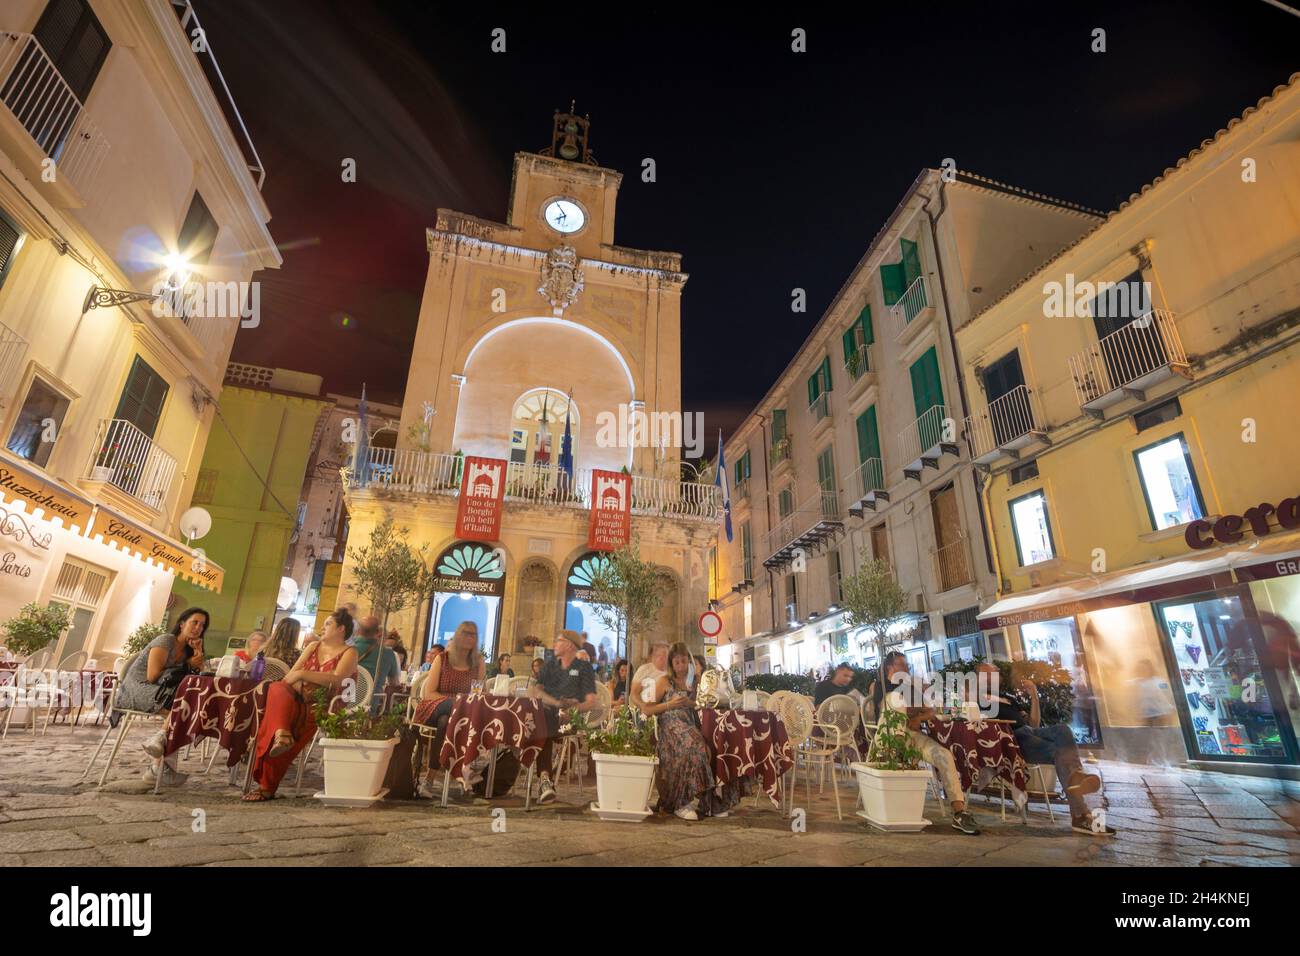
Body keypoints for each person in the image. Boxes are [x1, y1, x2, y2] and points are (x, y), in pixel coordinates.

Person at [976, 662, 1112, 835]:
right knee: (1060, 754)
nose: (995, 675)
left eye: (995, 672)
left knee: (1063, 729)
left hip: (1030, 731)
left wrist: (1034, 697)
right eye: (989, 673)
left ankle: (1077, 785)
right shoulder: (977, 698)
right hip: (1013, 740)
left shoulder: (1008, 698)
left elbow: (1034, 723)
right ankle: (1081, 813)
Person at [243, 608, 359, 802]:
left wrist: (303, 675)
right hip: (297, 697)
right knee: (277, 689)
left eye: (328, 624)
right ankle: (282, 734)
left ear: (341, 629)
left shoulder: (350, 652)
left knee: (286, 718)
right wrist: (299, 679)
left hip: (325, 703)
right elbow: (289, 678)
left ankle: (266, 785)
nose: (323, 627)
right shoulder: (313, 646)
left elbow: (337, 680)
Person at [870, 652, 980, 835]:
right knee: (894, 700)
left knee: (943, 754)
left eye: (907, 666)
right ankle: (895, 748)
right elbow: (889, 704)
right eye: (902, 665)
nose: (906, 669)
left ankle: (960, 811)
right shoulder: (879, 685)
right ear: (890, 667)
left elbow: (931, 710)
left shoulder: (910, 687)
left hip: (911, 736)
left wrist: (919, 716)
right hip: (887, 736)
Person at [645, 642, 732, 820]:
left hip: (690, 724)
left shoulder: (696, 680)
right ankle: (681, 802)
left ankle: (707, 801)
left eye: (683, 662)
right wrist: (670, 704)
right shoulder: (664, 681)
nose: (680, 666)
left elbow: (707, 702)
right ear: (671, 664)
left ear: (689, 661)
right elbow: (647, 709)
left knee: (707, 748)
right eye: (676, 663)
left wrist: (690, 703)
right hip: (669, 726)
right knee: (694, 747)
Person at [129, 608, 208, 786]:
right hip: (139, 688)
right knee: (183, 711)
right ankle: (161, 767)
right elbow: (153, 676)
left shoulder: (189, 650)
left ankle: (159, 757)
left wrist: (197, 655)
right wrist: (187, 664)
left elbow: (197, 677)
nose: (198, 628)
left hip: (162, 692)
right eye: (194, 622)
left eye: (202, 625)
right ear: (182, 624)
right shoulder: (165, 641)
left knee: (186, 709)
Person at [414, 622, 486, 798]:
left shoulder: (478, 662)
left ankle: (429, 779)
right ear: (458, 635)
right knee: (453, 712)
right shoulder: (442, 659)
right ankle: (464, 769)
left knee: (446, 721)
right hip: (436, 705)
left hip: (458, 716)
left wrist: (468, 702)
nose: (471, 637)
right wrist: (458, 703)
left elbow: (480, 692)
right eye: (467, 633)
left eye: (474, 634)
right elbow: (429, 693)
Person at [530, 629, 598, 804]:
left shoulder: (584, 668)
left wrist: (574, 709)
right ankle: (545, 778)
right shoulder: (550, 665)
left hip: (571, 719)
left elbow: (591, 701)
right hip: (551, 714)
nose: (554, 644)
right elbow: (536, 690)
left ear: (569, 644)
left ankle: (544, 780)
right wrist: (556, 703)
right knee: (543, 718)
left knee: (541, 722)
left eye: (558, 641)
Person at [351, 615, 401, 713]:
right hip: (369, 706)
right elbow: (394, 683)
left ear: (357, 630)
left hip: (341, 703)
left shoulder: (346, 648)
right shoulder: (388, 654)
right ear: (377, 632)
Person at [631, 643, 670, 713]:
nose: (663, 658)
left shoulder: (671, 673)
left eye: (666, 655)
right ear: (653, 657)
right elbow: (634, 694)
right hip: (643, 710)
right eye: (659, 655)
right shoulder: (644, 669)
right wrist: (643, 707)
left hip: (664, 711)